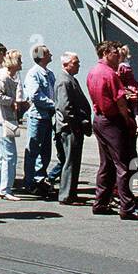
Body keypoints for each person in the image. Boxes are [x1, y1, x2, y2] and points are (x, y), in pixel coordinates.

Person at [87, 41, 138, 220]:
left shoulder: (93, 71)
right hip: (112, 120)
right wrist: (127, 119)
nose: (118, 56)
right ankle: (127, 207)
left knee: (106, 164)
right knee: (123, 165)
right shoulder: (110, 74)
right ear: (105, 53)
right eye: (115, 53)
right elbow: (119, 100)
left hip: (99, 119)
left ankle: (101, 202)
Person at [53, 51, 91, 205]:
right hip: (69, 128)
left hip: (71, 127)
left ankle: (70, 193)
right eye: (75, 63)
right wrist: (77, 124)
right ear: (65, 64)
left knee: (73, 161)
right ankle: (67, 195)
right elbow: (65, 107)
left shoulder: (69, 79)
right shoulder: (64, 81)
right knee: (70, 161)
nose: (78, 65)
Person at [21, 44, 57, 196]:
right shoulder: (33, 74)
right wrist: (53, 104)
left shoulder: (49, 74)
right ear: (42, 56)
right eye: (48, 53)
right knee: (33, 149)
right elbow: (35, 95)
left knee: (45, 150)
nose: (51, 54)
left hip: (47, 116)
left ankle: (40, 178)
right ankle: (30, 182)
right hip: (37, 116)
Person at [0, 50, 21, 200]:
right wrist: (11, 101)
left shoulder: (11, 77)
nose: (21, 63)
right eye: (19, 60)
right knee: (10, 155)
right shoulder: (3, 77)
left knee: (2, 154)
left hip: (6, 119)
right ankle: (5, 189)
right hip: (2, 120)